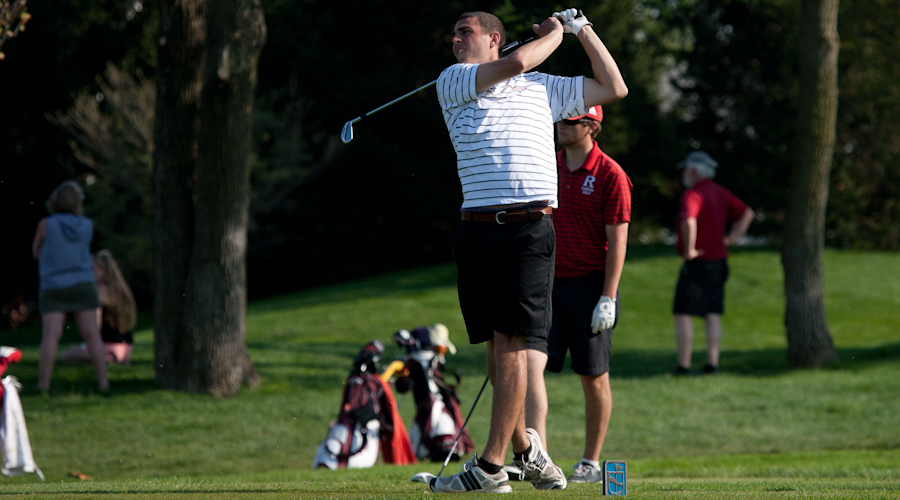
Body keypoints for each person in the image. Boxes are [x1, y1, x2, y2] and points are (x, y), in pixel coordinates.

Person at [430, 8, 627, 494]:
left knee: (514, 344)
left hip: (529, 229)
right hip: (476, 230)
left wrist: (582, 31)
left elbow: (614, 87)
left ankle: (491, 468)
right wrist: (557, 32)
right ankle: (526, 450)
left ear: (494, 38)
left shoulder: (545, 88)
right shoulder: (454, 79)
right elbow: (518, 63)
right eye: (454, 34)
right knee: (496, 351)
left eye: (465, 32)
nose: (456, 40)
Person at [520, 106, 631, 484]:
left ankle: (590, 461)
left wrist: (608, 297)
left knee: (593, 376)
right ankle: (538, 459)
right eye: (560, 120)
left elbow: (618, 242)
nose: (561, 126)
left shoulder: (611, 174)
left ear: (591, 127)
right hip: (546, 285)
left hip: (591, 287)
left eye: (570, 121)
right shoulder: (545, 165)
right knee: (530, 367)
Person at [672, 151, 755, 375]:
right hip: (719, 262)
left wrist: (689, 249)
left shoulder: (693, 194)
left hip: (698, 261)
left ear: (694, 171)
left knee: (683, 312)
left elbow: (689, 220)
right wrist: (731, 238)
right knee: (712, 313)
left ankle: (683, 364)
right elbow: (747, 213)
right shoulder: (720, 192)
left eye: (686, 170)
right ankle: (712, 362)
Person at [31, 180, 109, 392]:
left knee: (51, 336)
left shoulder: (46, 224)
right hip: (83, 284)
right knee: (92, 335)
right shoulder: (87, 225)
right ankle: (103, 384)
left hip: (53, 286)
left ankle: (43, 385)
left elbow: (36, 252)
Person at [59, 250, 136, 366]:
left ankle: (102, 359)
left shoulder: (99, 292)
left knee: (65, 356)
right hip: (126, 351)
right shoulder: (122, 293)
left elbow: (94, 327)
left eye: (92, 268)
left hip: (107, 349)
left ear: (104, 271)